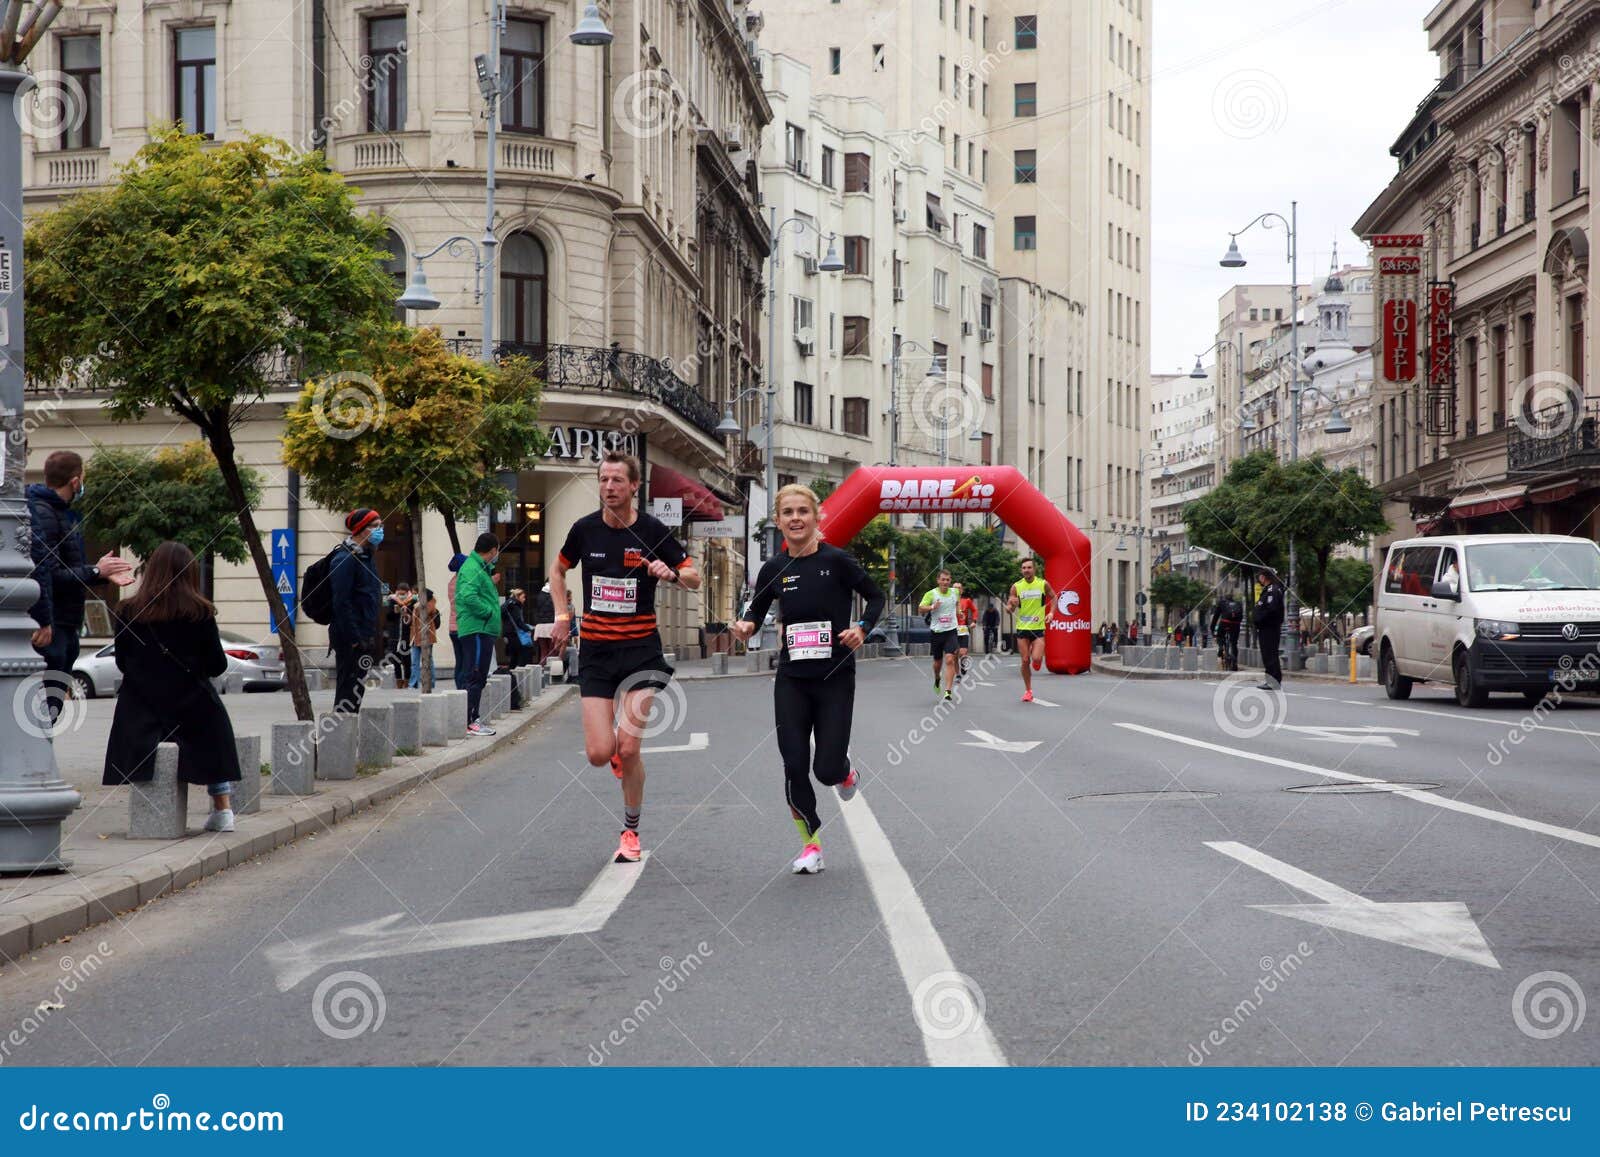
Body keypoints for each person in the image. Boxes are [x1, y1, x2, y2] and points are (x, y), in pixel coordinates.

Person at [550, 451, 701, 864]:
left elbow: (693, 574)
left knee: (630, 747)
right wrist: (563, 615)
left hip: (640, 654)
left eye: (618, 480)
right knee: (600, 753)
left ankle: (630, 832)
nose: (610, 487)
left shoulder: (653, 531)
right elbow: (558, 570)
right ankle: (614, 755)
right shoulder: (584, 531)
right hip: (597, 653)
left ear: (634, 486)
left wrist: (670, 573)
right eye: (603, 480)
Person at [732, 484, 884, 874]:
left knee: (826, 769)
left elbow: (876, 596)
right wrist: (746, 627)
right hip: (792, 679)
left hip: (834, 676)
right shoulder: (773, 569)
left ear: (818, 518)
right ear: (779, 521)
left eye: (803, 511)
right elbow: (755, 611)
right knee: (794, 764)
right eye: (788, 513)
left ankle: (845, 772)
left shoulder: (838, 561)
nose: (796, 518)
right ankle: (810, 845)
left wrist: (862, 627)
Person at [102, 542, 240, 832]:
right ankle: (222, 807)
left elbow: (123, 662)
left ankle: (150, 816)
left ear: (151, 571)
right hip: (190, 702)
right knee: (212, 727)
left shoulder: (128, 610)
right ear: (189, 573)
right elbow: (216, 665)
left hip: (141, 705)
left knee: (147, 736)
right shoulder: (200, 612)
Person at [27, 449, 134, 720]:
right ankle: (36, 762)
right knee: (43, 712)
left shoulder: (57, 512)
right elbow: (49, 573)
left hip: (62, 624)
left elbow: (63, 571)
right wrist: (96, 569)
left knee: (48, 710)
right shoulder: (45, 513)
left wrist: (98, 573)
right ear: (75, 481)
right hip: (54, 626)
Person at [328, 508, 384, 713]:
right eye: (375, 527)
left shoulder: (366, 557)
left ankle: (348, 740)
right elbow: (341, 603)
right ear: (360, 530)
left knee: (355, 693)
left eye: (381, 526)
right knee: (347, 694)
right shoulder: (345, 559)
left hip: (364, 636)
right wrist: (354, 639)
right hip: (350, 639)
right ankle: (339, 741)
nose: (380, 531)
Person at [455, 533, 504, 736]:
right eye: (497, 550)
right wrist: (489, 612)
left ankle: (473, 718)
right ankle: (470, 721)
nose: (497, 554)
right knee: (474, 675)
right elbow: (468, 597)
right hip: (477, 628)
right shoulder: (472, 568)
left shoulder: (481, 568)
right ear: (492, 550)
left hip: (482, 629)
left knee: (479, 675)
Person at [1006, 557, 1055, 703]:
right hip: (1022, 628)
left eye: (1029, 567)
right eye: (1024, 568)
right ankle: (1028, 691)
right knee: (1025, 660)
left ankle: (1038, 660)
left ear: (1034, 569)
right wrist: (1011, 606)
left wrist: (1051, 613)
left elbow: (1054, 597)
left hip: (1038, 627)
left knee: (1037, 658)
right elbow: (1010, 608)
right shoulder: (1016, 586)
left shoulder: (1042, 584)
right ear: (1021, 570)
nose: (1026, 570)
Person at [919, 570, 962, 701]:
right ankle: (937, 677)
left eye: (947, 580)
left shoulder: (955, 592)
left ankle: (948, 691)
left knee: (950, 659)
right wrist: (932, 607)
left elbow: (957, 604)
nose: (945, 582)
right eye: (943, 579)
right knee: (937, 662)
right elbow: (920, 608)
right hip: (937, 632)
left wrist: (959, 612)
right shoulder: (931, 594)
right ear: (938, 580)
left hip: (951, 631)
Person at [1253, 568, 1285, 691]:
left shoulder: (1273, 590)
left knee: (1270, 654)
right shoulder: (1269, 590)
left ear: (1264, 577)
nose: (1258, 578)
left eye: (1260, 576)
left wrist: (1260, 619)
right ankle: (1272, 680)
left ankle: (1273, 682)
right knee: (1268, 654)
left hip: (1269, 628)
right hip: (1266, 628)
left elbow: (1271, 609)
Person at [384, 582, 414, 687]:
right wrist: (395, 612)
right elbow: (388, 617)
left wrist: (407, 613)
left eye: (403, 594)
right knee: (395, 659)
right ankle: (398, 681)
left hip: (406, 635)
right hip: (394, 635)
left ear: (407, 592)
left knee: (406, 660)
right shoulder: (392, 600)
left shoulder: (412, 601)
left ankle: (407, 681)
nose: (401, 596)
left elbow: (414, 619)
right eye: (400, 593)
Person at [409, 588, 440, 690]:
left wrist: (417, 606)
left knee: (428, 661)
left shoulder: (431, 603)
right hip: (415, 637)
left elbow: (425, 612)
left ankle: (431, 682)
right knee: (414, 662)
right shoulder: (417, 604)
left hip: (427, 637)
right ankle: (413, 684)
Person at [446, 552, 467, 689]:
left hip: (452, 627)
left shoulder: (452, 582)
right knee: (466, 660)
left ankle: (458, 687)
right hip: (462, 626)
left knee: (459, 660)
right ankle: (462, 687)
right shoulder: (463, 582)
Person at [1211, 589, 1243, 672]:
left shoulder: (1222, 603)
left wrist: (1212, 628)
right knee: (1234, 643)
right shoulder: (1238, 604)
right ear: (1233, 598)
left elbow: (1216, 617)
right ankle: (1235, 663)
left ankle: (1221, 647)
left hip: (1225, 623)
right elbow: (1241, 617)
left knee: (1220, 636)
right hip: (1235, 625)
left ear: (1225, 597)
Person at [954, 582, 978, 680]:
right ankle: (958, 675)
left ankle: (963, 665)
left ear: (962, 590)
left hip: (963, 629)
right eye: (955, 588)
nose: (957, 590)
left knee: (963, 652)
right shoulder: (948, 601)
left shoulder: (966, 601)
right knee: (955, 654)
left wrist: (974, 621)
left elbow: (974, 610)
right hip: (951, 630)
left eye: (959, 588)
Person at [532, 580, 557, 662]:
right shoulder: (554, 594)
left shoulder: (539, 595)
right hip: (551, 625)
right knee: (552, 651)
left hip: (540, 626)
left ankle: (541, 670)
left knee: (543, 651)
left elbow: (536, 610)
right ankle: (550, 671)